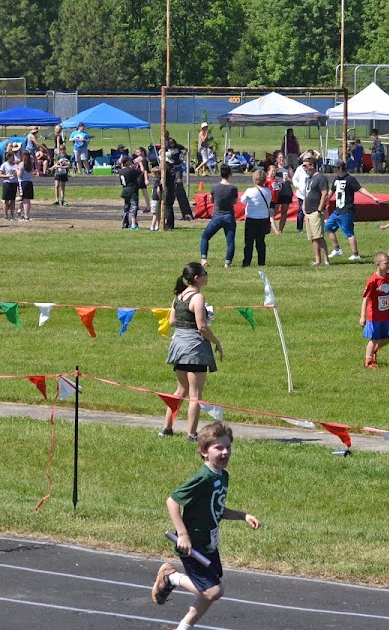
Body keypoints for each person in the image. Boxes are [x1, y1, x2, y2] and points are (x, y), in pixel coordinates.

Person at [152, 421, 261, 630]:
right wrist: (182, 534)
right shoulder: (203, 477)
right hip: (192, 545)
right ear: (204, 451)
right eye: (218, 448)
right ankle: (171, 577)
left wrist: (243, 515)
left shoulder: (222, 476)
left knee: (211, 590)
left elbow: (216, 509)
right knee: (213, 591)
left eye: (228, 447)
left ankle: (183, 628)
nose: (225, 452)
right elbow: (172, 501)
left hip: (209, 542)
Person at [160, 262, 223, 440]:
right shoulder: (197, 297)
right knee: (195, 394)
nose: (207, 276)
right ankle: (191, 434)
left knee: (180, 391)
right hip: (194, 348)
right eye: (205, 273)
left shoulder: (178, 296)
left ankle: (166, 428)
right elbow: (202, 327)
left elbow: (172, 321)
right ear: (197, 278)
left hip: (178, 346)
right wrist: (217, 342)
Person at [326, 160, 380, 261]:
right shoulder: (336, 179)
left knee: (349, 233)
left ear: (341, 168)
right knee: (327, 228)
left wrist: (373, 197)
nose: (333, 169)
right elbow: (331, 192)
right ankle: (337, 249)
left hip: (346, 211)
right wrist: (325, 201)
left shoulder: (350, 179)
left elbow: (361, 189)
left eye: (335, 168)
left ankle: (355, 255)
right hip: (337, 211)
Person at [361, 252, 389, 369]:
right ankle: (368, 361)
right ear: (378, 264)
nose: (388, 266)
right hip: (374, 315)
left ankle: (374, 350)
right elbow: (365, 299)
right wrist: (363, 316)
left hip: (386, 315)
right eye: (386, 263)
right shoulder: (373, 280)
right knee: (374, 338)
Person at [200, 165, 238, 269]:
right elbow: (235, 202)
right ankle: (227, 263)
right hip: (229, 216)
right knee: (230, 242)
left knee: (205, 236)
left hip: (217, 216)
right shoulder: (233, 188)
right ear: (230, 174)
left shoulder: (215, 187)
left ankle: (203, 259)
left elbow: (211, 200)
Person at [239, 169, 274, 267]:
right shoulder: (268, 191)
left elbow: (242, 201)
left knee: (249, 242)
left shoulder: (250, 191)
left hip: (251, 218)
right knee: (261, 241)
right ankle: (261, 261)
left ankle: (247, 262)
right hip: (263, 218)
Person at [301, 157, 332, 266]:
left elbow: (324, 194)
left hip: (316, 211)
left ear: (312, 165)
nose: (303, 167)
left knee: (319, 236)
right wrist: (304, 206)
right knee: (313, 238)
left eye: (305, 165)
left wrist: (319, 210)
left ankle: (326, 259)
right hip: (308, 212)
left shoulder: (321, 178)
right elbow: (307, 193)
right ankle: (317, 260)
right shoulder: (308, 178)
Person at [270, 152, 293, 234]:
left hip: (286, 192)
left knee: (284, 211)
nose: (281, 159)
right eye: (279, 158)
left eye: (282, 157)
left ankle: (280, 230)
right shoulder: (275, 169)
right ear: (276, 159)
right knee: (274, 211)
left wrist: (288, 179)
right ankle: (270, 227)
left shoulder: (288, 169)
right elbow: (269, 177)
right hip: (277, 193)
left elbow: (294, 181)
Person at [118, 156, 143, 229]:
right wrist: (140, 163)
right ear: (126, 162)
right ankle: (133, 224)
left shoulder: (121, 171)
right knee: (134, 207)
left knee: (126, 207)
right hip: (132, 190)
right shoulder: (130, 170)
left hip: (125, 190)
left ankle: (125, 223)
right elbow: (141, 171)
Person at [0, 150, 21, 220]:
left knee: (13, 200)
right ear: (8, 157)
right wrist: (6, 176)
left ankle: (12, 215)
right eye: (12, 157)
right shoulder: (4, 165)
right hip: (7, 183)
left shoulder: (15, 165)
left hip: (14, 183)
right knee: (6, 200)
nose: (13, 158)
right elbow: (0, 175)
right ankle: (5, 215)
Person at [17, 152, 35, 221]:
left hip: (23, 182)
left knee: (25, 200)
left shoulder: (22, 164)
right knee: (28, 200)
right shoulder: (30, 164)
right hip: (29, 182)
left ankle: (26, 216)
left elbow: (19, 175)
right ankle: (26, 215)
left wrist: (17, 169)